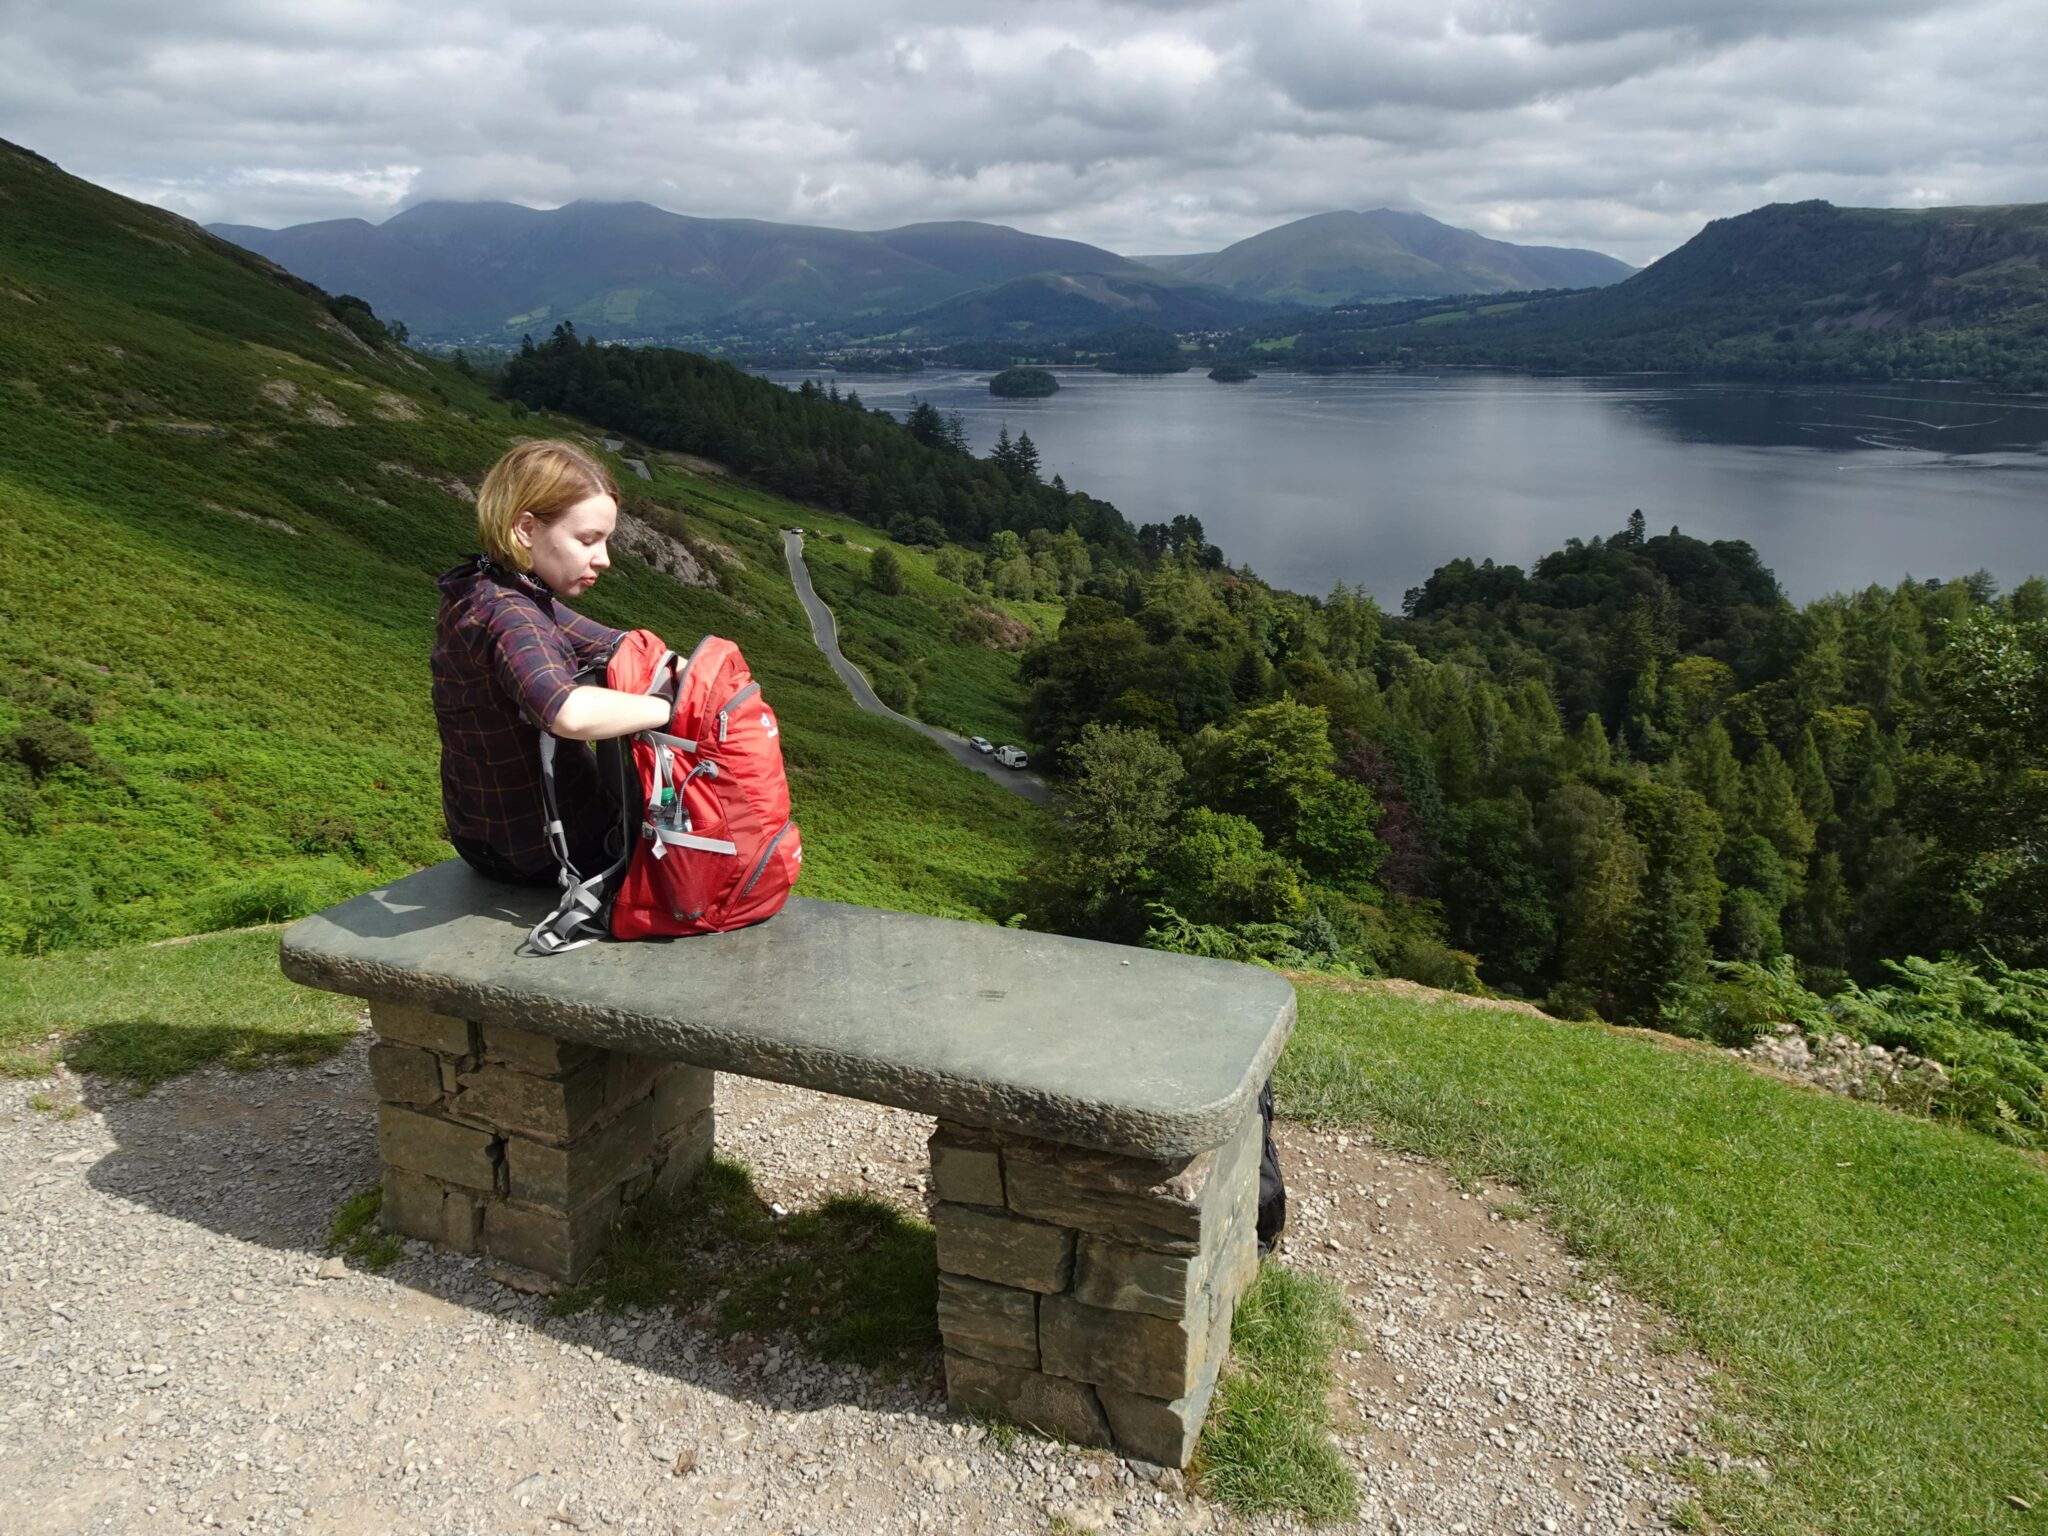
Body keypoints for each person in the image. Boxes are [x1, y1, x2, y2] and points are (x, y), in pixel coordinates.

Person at [431, 439, 671, 886]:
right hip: (535, 847)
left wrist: (693, 672)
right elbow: (566, 712)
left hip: (489, 831)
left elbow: (609, 643)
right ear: (526, 529)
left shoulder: (492, 585)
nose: (604, 558)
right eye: (587, 540)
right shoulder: (510, 614)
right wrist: (670, 708)